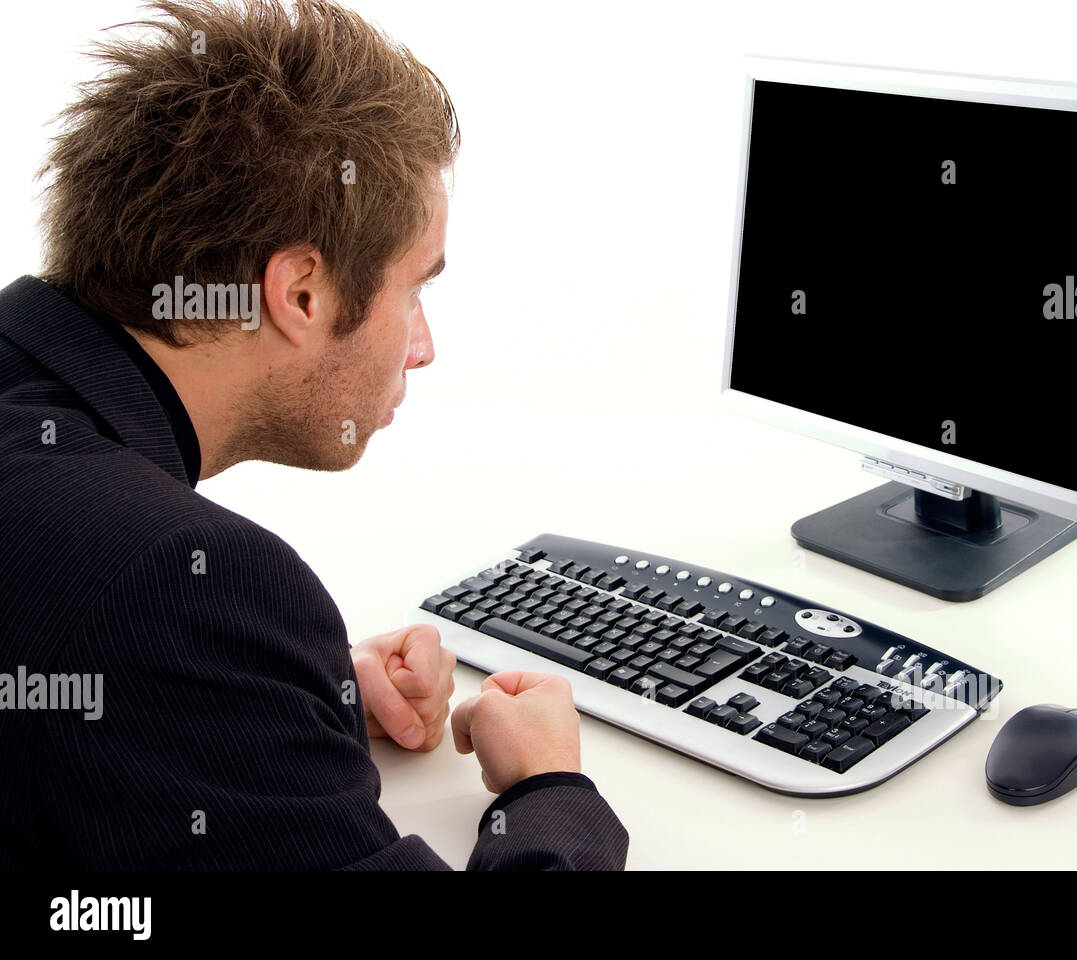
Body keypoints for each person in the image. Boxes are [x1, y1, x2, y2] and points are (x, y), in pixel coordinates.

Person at [0, 0, 628, 870]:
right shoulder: (176, 587)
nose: (424, 346)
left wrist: (277, 694)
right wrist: (548, 789)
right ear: (300, 294)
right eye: (416, 287)